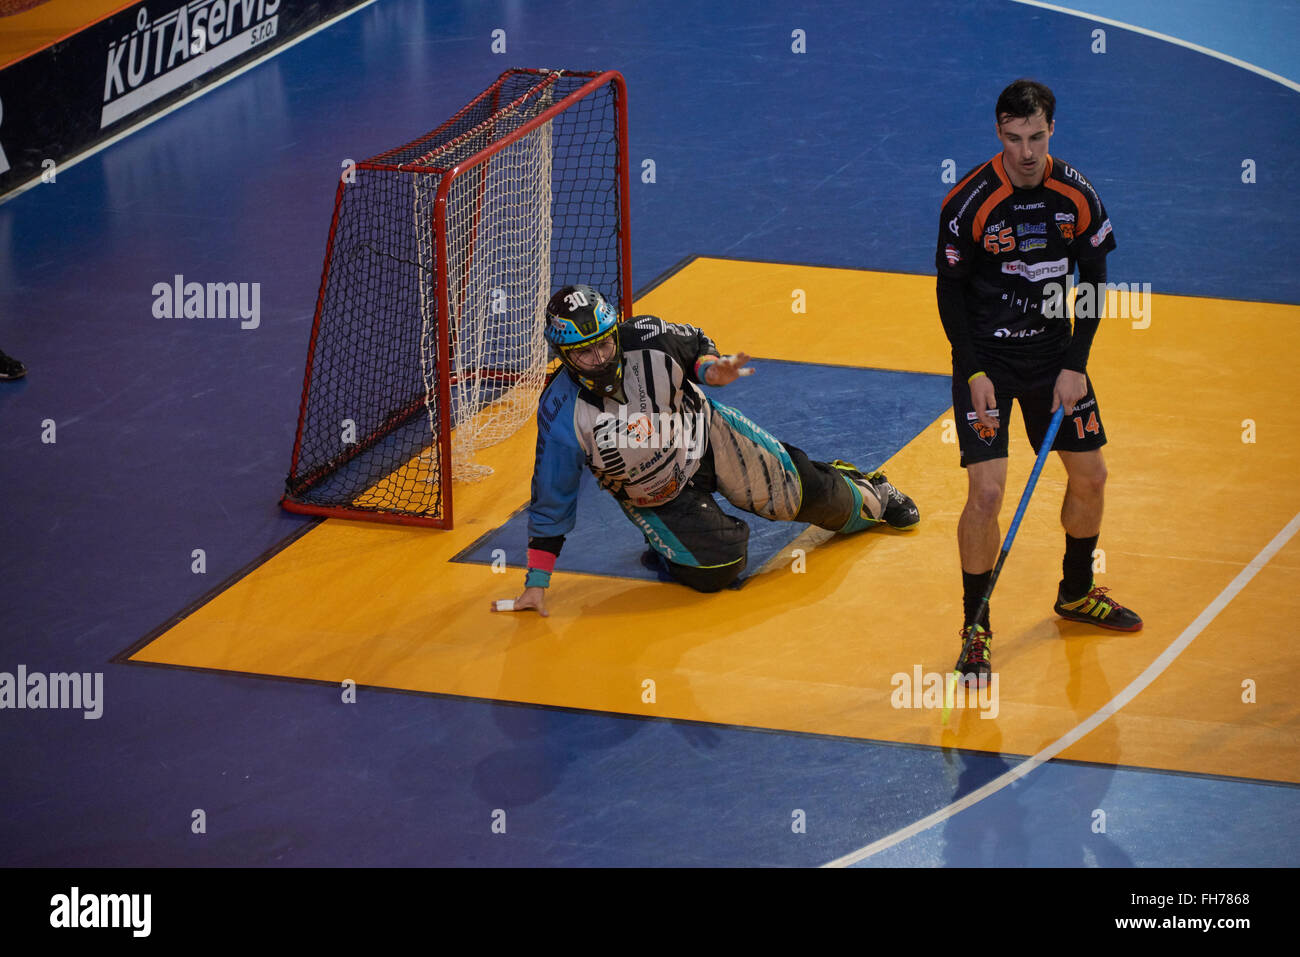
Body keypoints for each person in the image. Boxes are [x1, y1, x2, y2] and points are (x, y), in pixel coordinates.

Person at [491, 284, 919, 615]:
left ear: (614, 333)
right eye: (584, 354)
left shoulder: (649, 336)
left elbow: (696, 346)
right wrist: (537, 582)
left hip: (711, 440)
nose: (600, 358)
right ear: (563, 355)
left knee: (819, 499)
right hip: (655, 493)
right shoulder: (560, 411)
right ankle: (669, 546)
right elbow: (552, 499)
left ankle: (869, 491)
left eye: (604, 344)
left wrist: (713, 371)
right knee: (718, 569)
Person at [936, 78, 1141, 683]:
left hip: (1054, 360)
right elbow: (949, 293)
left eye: (1037, 136)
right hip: (989, 366)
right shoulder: (969, 203)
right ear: (998, 133)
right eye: (1013, 137)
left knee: (1092, 475)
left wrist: (1076, 363)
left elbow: (1096, 278)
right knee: (989, 494)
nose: (1026, 151)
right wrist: (972, 370)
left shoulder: (1076, 196)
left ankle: (1076, 593)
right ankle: (977, 630)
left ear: (1052, 129)